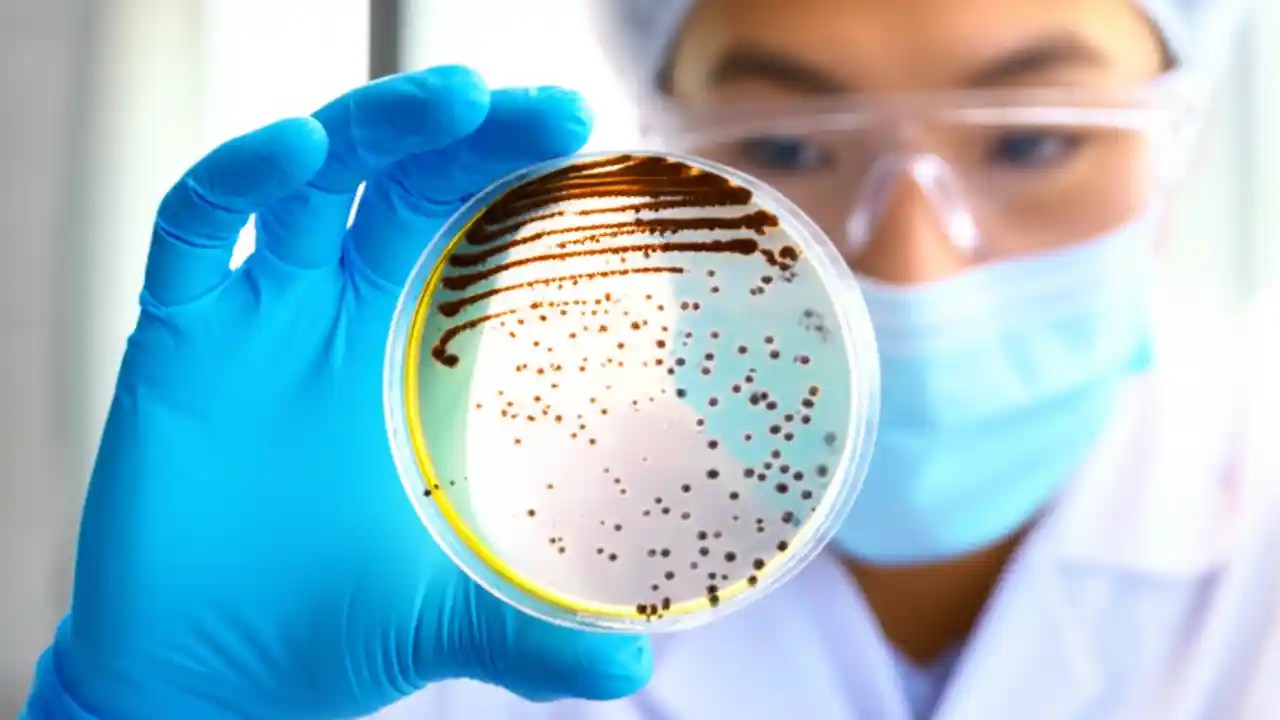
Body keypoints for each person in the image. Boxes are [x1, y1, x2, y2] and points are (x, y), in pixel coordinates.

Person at [19, 0, 1279, 718]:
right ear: (666, 154)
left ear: (1179, 143)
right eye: (783, 151)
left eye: (1031, 142)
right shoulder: (447, 578)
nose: (905, 259)